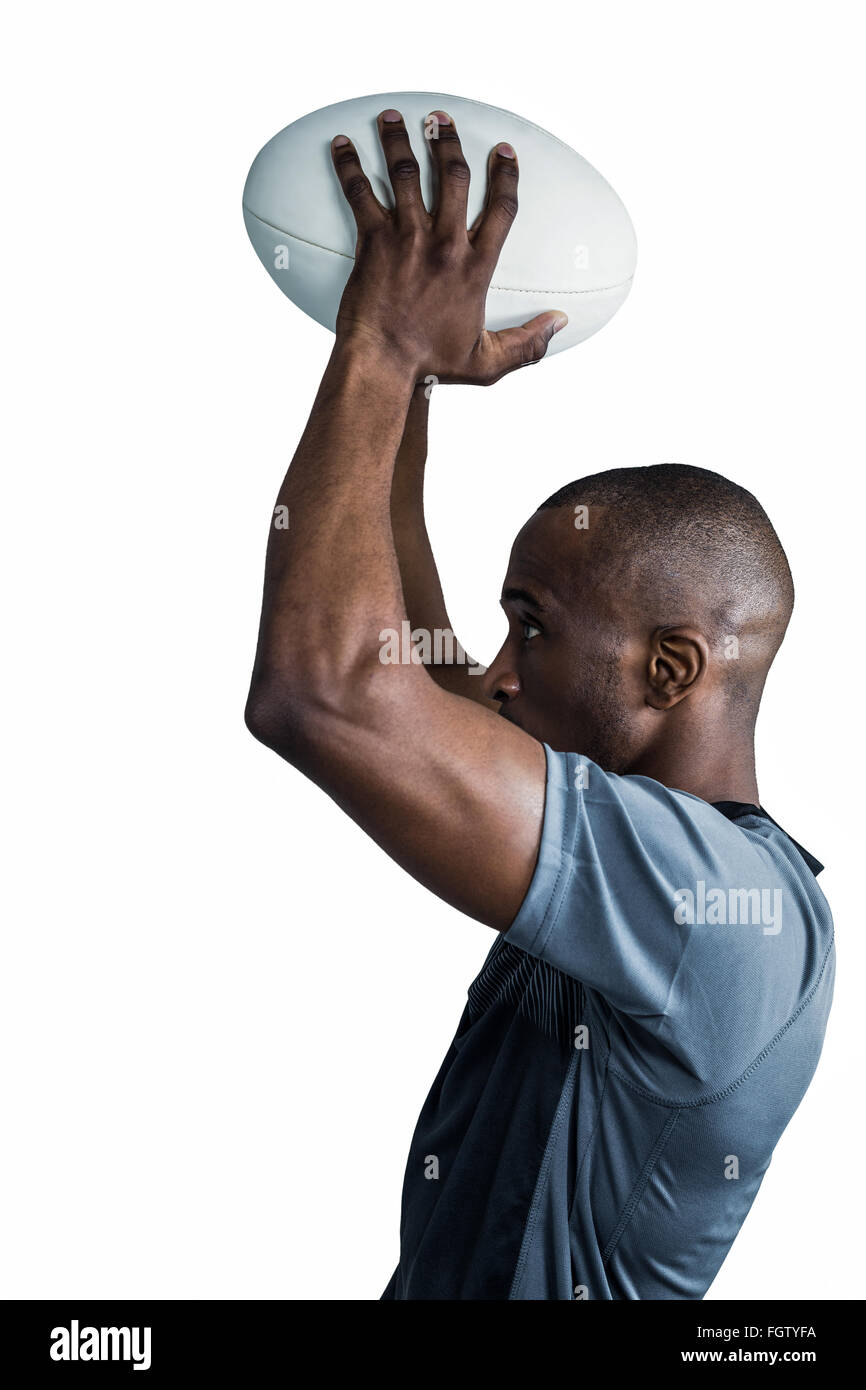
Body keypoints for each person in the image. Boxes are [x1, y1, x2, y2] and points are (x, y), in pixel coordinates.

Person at [244, 109, 834, 1299]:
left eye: (535, 628)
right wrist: (409, 377)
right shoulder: (641, 844)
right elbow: (400, 665)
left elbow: (324, 692)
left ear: (670, 672)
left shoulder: (717, 909)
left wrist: (375, 346)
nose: (496, 670)